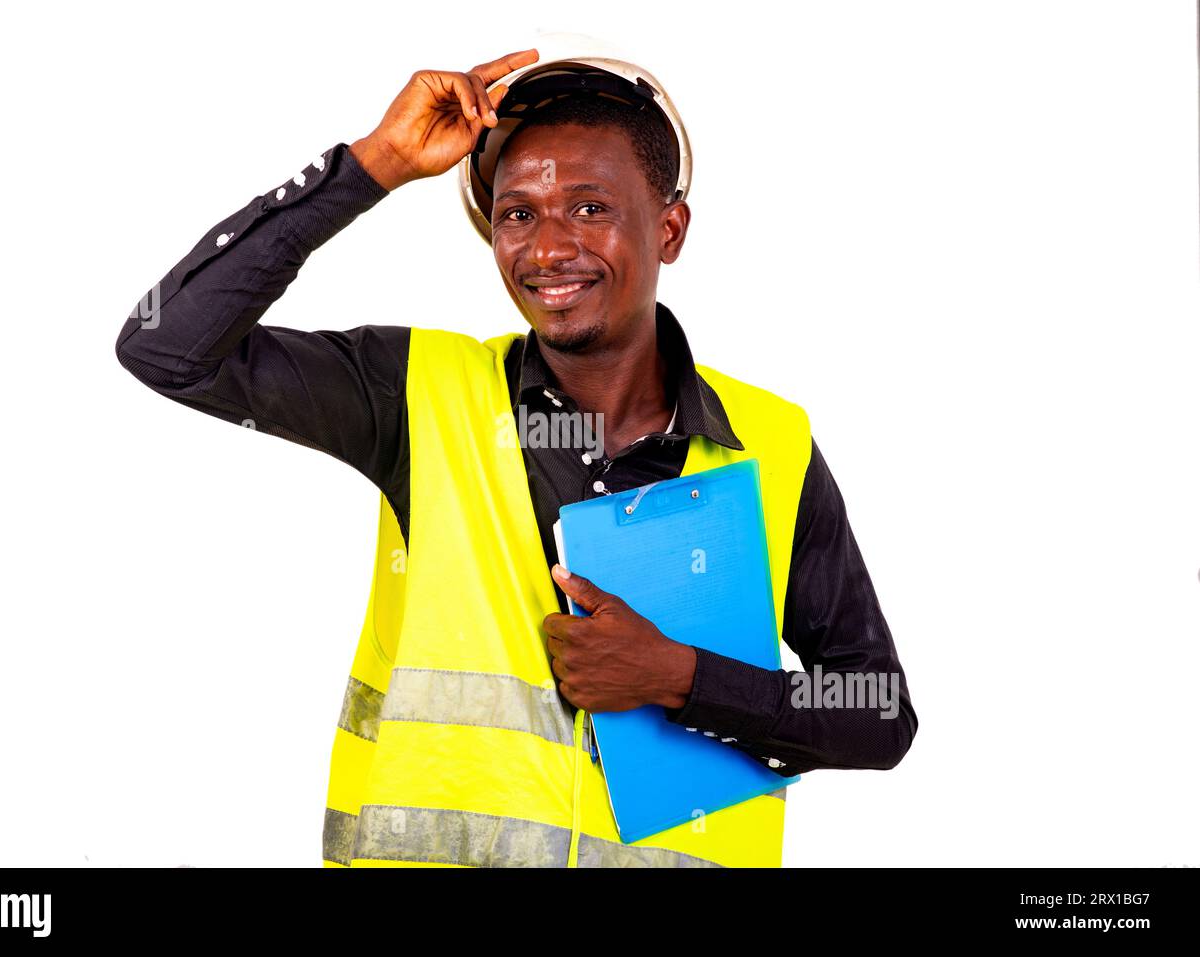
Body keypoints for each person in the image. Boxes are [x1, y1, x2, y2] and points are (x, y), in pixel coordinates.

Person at [115, 46, 917, 868]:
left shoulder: (769, 443)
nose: (547, 249)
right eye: (517, 214)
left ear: (669, 229)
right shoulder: (418, 397)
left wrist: (678, 677)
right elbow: (166, 345)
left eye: (591, 208)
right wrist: (376, 164)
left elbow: (878, 711)